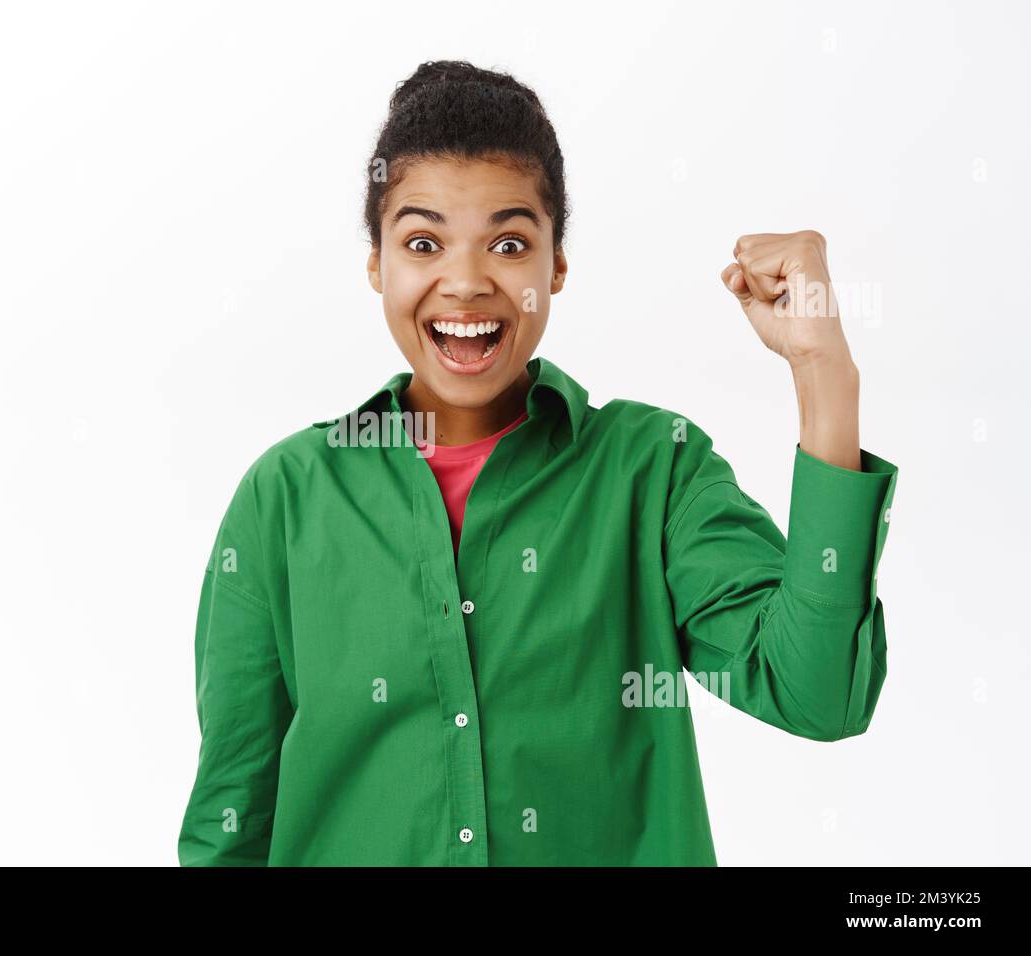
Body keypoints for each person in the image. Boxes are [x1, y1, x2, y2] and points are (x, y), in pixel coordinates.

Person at [177, 60, 898, 866]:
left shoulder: (653, 472)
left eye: (509, 243)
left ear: (555, 266)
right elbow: (230, 823)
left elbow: (819, 692)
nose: (466, 281)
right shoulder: (284, 499)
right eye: (423, 243)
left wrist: (822, 372)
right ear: (377, 263)